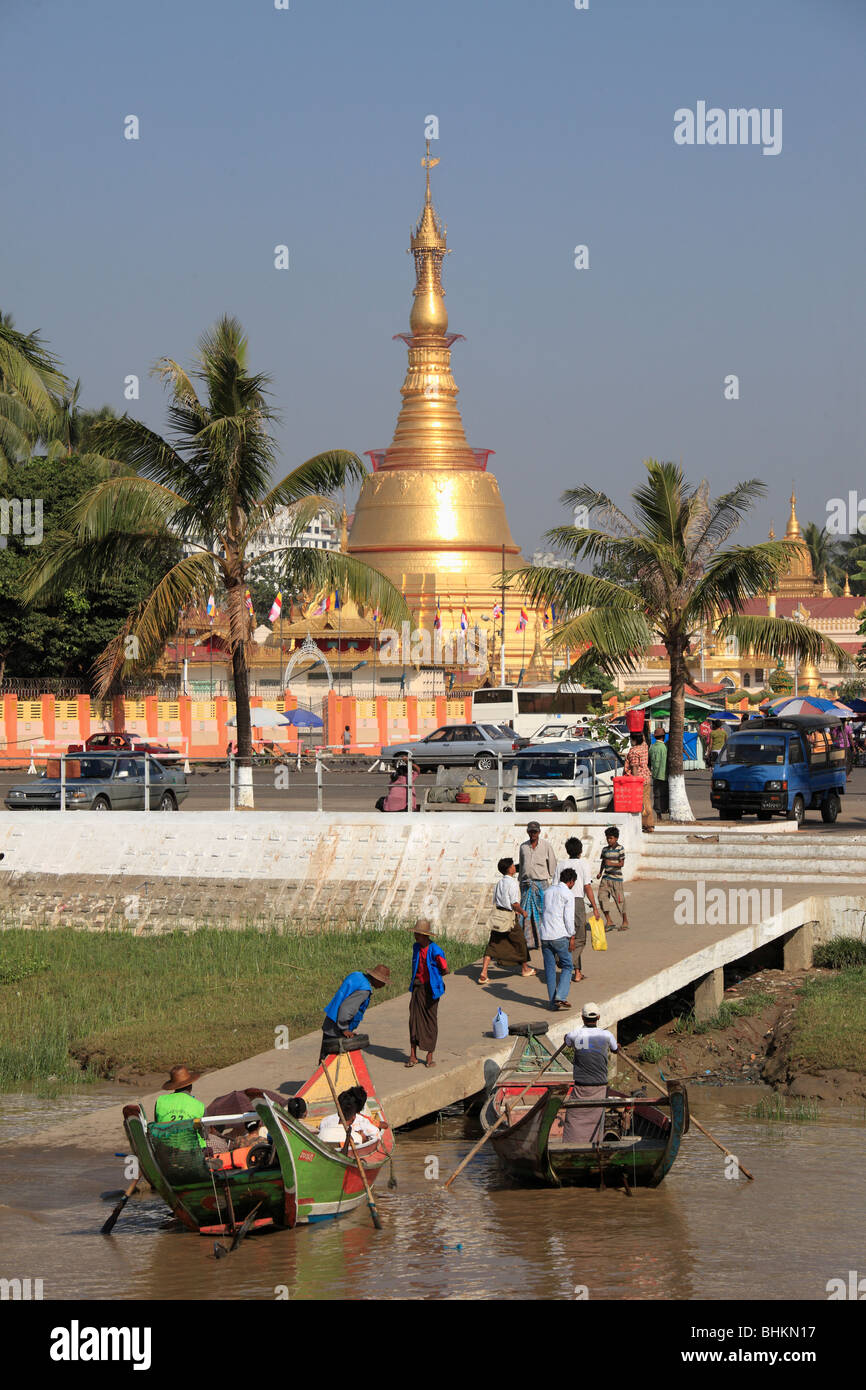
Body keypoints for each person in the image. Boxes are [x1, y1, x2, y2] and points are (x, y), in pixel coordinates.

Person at [561, 1003, 618, 1144]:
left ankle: (572, 1144)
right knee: (597, 1116)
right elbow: (615, 1049)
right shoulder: (607, 1035)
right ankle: (594, 1143)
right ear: (598, 1017)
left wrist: (567, 1037)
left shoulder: (575, 1034)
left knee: (574, 1116)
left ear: (582, 1018)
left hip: (582, 1085)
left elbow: (567, 1040)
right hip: (600, 1085)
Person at [479, 857, 536, 984]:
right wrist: (523, 912)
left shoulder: (499, 883)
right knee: (520, 941)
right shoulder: (513, 883)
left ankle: (483, 972)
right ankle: (525, 968)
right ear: (509, 869)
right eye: (512, 865)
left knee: (493, 944)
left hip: (498, 916)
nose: (514, 867)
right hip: (509, 918)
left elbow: (495, 900)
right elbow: (514, 903)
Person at [320, 965, 391, 1060]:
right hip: (337, 1028)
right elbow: (345, 1009)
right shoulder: (364, 990)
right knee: (332, 1064)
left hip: (330, 1019)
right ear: (377, 980)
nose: (383, 985)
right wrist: (344, 1029)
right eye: (383, 982)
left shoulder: (357, 975)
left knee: (324, 1060)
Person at [556, 836, 599, 985]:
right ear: (580, 851)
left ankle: (578, 972)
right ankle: (565, 961)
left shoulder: (561, 864)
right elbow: (587, 887)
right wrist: (594, 906)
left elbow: (555, 885)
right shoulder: (583, 864)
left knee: (569, 936)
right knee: (580, 937)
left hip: (561, 901)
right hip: (576, 901)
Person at [406, 920, 448, 1068]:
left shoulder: (435, 950)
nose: (415, 936)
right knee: (414, 1020)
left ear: (425, 936)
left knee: (430, 1021)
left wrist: (435, 977)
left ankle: (429, 1057)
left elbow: (444, 968)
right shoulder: (416, 947)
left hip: (431, 990)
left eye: (418, 934)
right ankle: (413, 1055)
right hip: (418, 988)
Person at [539, 868, 576, 1011]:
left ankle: (552, 1003)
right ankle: (561, 996)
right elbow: (568, 918)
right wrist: (572, 935)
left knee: (549, 969)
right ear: (571, 881)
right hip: (559, 935)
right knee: (567, 965)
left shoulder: (548, 891)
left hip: (545, 934)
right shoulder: (568, 894)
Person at [518, 821, 557, 953]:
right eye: (531, 831)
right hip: (526, 884)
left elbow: (552, 865)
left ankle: (543, 940)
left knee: (543, 912)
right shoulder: (523, 847)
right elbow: (522, 865)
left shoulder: (546, 846)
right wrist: (520, 883)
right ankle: (528, 941)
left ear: (539, 832)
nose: (533, 834)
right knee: (526, 913)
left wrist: (553, 881)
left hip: (541, 884)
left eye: (535, 831)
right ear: (528, 832)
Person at [153, 1064, 206, 1147]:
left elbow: (157, 1126)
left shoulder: (160, 1101)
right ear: (190, 1085)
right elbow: (204, 1135)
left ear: (174, 1086)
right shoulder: (199, 1106)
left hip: (165, 1151)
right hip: (193, 1154)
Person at [598, 825, 629, 931]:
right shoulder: (605, 850)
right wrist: (600, 872)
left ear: (616, 838)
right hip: (606, 878)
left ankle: (625, 921)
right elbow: (603, 862)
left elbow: (621, 863)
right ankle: (609, 921)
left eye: (611, 838)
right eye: (607, 838)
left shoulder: (620, 849)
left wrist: (611, 863)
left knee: (620, 900)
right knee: (602, 899)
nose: (609, 840)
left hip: (616, 879)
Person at [624, 730, 654, 832]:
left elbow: (634, 767)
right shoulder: (644, 747)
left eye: (631, 739)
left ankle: (644, 824)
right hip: (646, 777)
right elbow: (644, 740)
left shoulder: (634, 751)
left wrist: (635, 781)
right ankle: (650, 824)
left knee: (640, 803)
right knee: (647, 801)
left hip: (638, 779)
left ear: (634, 740)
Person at [649, 726, 669, 819]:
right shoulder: (664, 748)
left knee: (657, 794)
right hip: (664, 774)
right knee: (665, 794)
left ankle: (658, 814)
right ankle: (665, 809)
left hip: (655, 774)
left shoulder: (652, 747)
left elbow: (649, 762)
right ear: (663, 736)